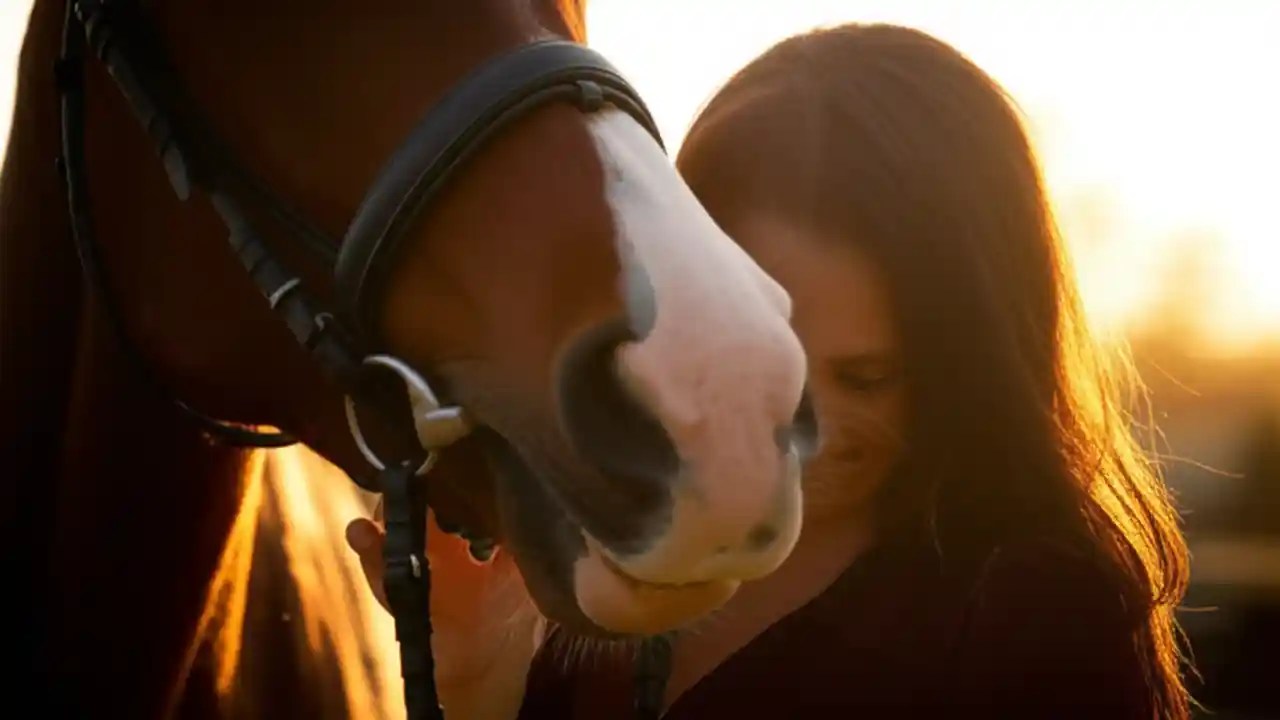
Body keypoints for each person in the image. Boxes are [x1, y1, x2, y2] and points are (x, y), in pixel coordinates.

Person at [346, 22, 1193, 718]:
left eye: (864, 378)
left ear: (968, 365)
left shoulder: (1029, 616)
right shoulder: (602, 550)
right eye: (756, 357)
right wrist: (478, 691)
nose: (799, 423)